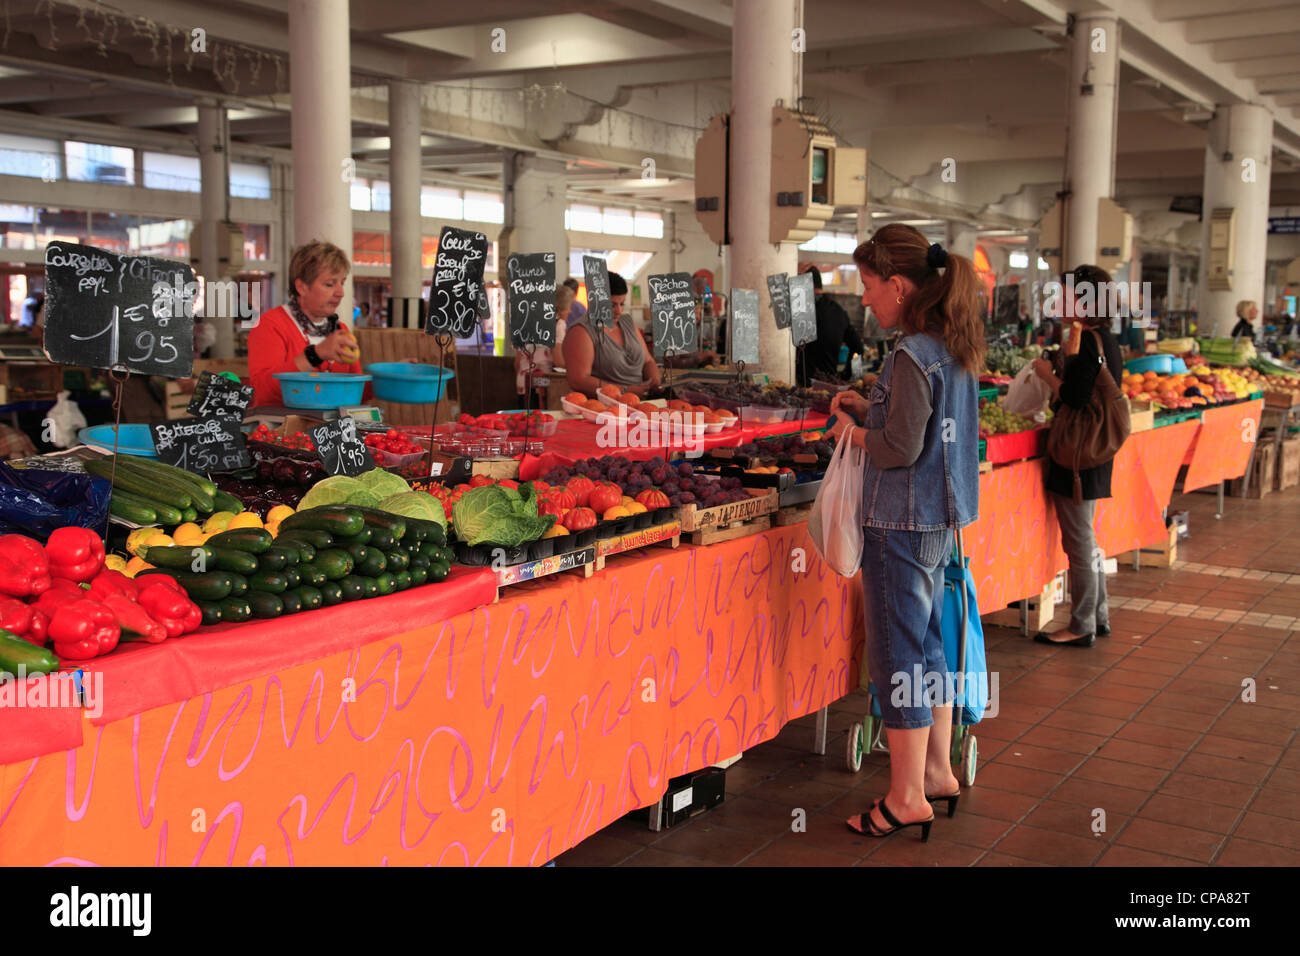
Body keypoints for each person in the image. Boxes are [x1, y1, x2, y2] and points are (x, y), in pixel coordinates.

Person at [828, 224, 983, 842]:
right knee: (929, 648)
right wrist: (873, 411)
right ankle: (939, 772)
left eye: (868, 286)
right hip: (938, 519)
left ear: (896, 284)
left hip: (900, 519)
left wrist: (855, 433)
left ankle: (904, 795)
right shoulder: (952, 346)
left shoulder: (910, 353)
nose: (864, 299)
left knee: (897, 657)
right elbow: (924, 428)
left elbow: (898, 447)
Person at [1031, 264, 1126, 648]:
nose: (1060, 299)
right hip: (1095, 451)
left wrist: (1045, 374)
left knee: (1080, 542)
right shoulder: (1105, 338)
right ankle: (1097, 616)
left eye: (1067, 293)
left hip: (1079, 455)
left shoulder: (1089, 341)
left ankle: (1082, 623)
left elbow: (1073, 397)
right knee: (1087, 537)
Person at [248, 240, 365, 408]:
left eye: (342, 282)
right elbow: (261, 392)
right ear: (301, 287)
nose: (340, 293)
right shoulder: (270, 325)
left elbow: (357, 392)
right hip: (285, 430)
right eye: (330, 284)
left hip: (331, 431)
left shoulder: (340, 330)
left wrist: (388, 379)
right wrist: (314, 355)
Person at [562, 271, 662, 398]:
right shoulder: (581, 332)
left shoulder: (627, 322)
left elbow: (648, 361)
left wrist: (655, 382)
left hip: (638, 405)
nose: (618, 311)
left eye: (622, 304)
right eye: (612, 305)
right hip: (602, 410)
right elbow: (578, 380)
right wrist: (625, 391)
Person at [799, 263, 863, 384]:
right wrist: (849, 376)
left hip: (803, 385)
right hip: (829, 384)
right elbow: (858, 347)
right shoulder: (838, 310)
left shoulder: (802, 311)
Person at [515, 284, 571, 406]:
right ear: (558, 308)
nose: (570, 311)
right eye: (568, 307)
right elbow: (558, 360)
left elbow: (517, 362)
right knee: (542, 421)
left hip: (522, 383)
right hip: (543, 384)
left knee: (526, 421)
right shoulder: (558, 324)